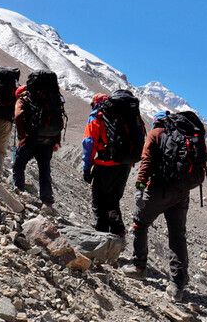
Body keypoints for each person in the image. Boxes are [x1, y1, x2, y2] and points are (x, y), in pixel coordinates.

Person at [122, 111, 190, 302]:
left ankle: (138, 266)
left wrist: (140, 187)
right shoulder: (183, 136)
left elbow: (146, 163)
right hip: (182, 193)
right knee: (178, 235)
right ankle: (178, 285)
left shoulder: (155, 134)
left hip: (158, 190)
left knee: (140, 224)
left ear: (156, 122)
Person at [81, 91, 141, 237]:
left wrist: (86, 168)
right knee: (113, 202)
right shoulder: (129, 115)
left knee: (99, 204)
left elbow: (89, 143)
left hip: (105, 166)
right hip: (124, 165)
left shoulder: (98, 116)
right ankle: (119, 234)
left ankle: (102, 240)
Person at [12, 70, 65, 213]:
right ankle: (47, 202)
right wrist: (56, 141)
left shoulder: (26, 97)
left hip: (30, 138)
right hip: (48, 140)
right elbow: (59, 119)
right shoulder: (55, 98)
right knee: (44, 170)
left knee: (18, 165)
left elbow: (18, 116)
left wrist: (22, 136)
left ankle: (19, 194)